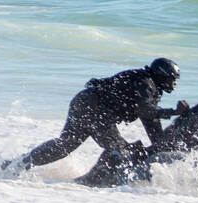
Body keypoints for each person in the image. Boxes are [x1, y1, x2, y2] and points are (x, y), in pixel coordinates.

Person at [11, 58, 188, 170]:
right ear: (162, 76)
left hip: (86, 102)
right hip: (94, 108)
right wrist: (174, 112)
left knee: (65, 145)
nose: (174, 84)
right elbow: (145, 111)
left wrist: (160, 144)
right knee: (122, 150)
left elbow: (150, 119)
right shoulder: (146, 84)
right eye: (172, 79)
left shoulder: (149, 86)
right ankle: (98, 186)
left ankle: (16, 165)